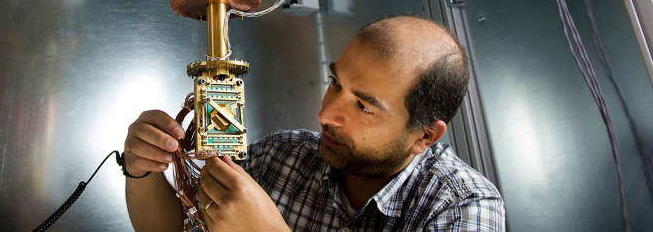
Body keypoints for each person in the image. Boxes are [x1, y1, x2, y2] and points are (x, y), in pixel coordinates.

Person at [123, 14, 505, 231]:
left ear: (424, 135)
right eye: (336, 82)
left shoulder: (460, 206)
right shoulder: (279, 157)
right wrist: (142, 171)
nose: (326, 114)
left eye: (365, 106)